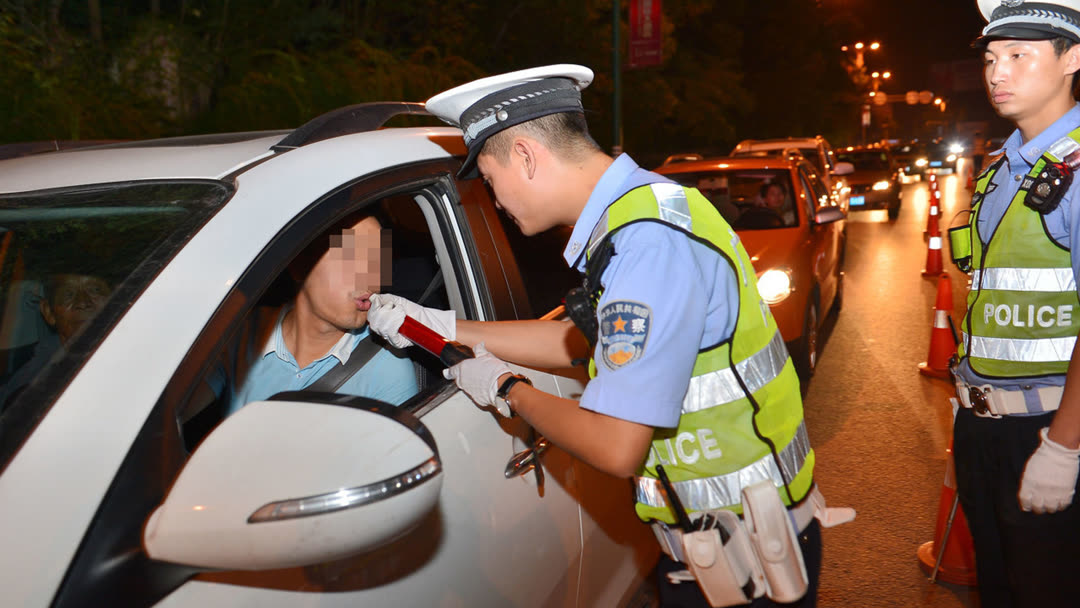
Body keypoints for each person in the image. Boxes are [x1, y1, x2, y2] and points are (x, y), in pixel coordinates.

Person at [368, 65, 851, 608]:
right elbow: (576, 342)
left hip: (747, 553)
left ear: (525, 156)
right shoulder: (650, 209)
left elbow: (617, 446)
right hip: (737, 535)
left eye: (489, 176)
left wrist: (506, 388)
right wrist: (440, 327)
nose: (494, 199)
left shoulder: (646, 249)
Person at [949, 2, 1080, 606]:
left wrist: (1062, 448)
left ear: (1072, 58)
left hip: (1049, 427)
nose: (997, 73)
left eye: (1019, 56)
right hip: (983, 428)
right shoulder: (1004, 167)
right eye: (991, 59)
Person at [205, 210, 418, 418]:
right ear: (299, 265)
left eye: (376, 261)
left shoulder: (387, 370)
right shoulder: (241, 332)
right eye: (351, 257)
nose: (371, 277)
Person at [0, 273, 112, 409]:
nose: (83, 302)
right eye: (68, 295)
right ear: (48, 312)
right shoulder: (34, 392)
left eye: (95, 290)